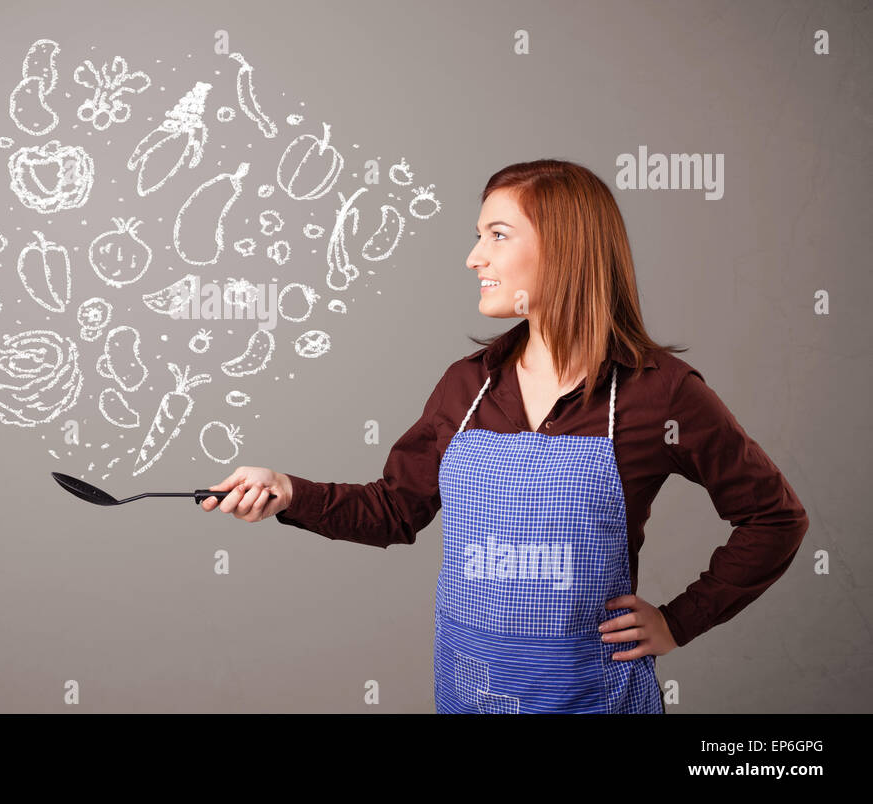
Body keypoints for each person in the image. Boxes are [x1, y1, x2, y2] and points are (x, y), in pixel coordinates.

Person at [203, 159, 809, 714]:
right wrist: (287, 490)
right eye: (479, 236)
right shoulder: (467, 386)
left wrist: (679, 621)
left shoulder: (661, 392)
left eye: (497, 235)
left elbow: (775, 518)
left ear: (567, 248)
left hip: (590, 698)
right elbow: (395, 509)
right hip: (468, 692)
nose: (474, 258)